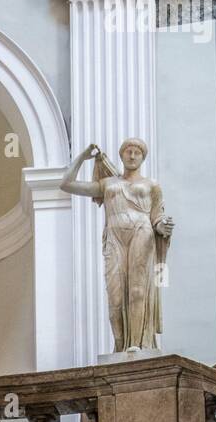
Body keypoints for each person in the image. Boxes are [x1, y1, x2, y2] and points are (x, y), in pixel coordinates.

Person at [61, 139, 174, 354]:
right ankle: (120, 346)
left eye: (137, 153)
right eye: (128, 152)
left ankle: (138, 344)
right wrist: (83, 157)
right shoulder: (108, 184)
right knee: (115, 297)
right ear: (121, 156)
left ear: (143, 158)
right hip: (114, 238)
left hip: (142, 232)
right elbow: (66, 184)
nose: (132, 156)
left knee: (138, 290)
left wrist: (163, 227)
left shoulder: (152, 185)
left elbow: (157, 217)